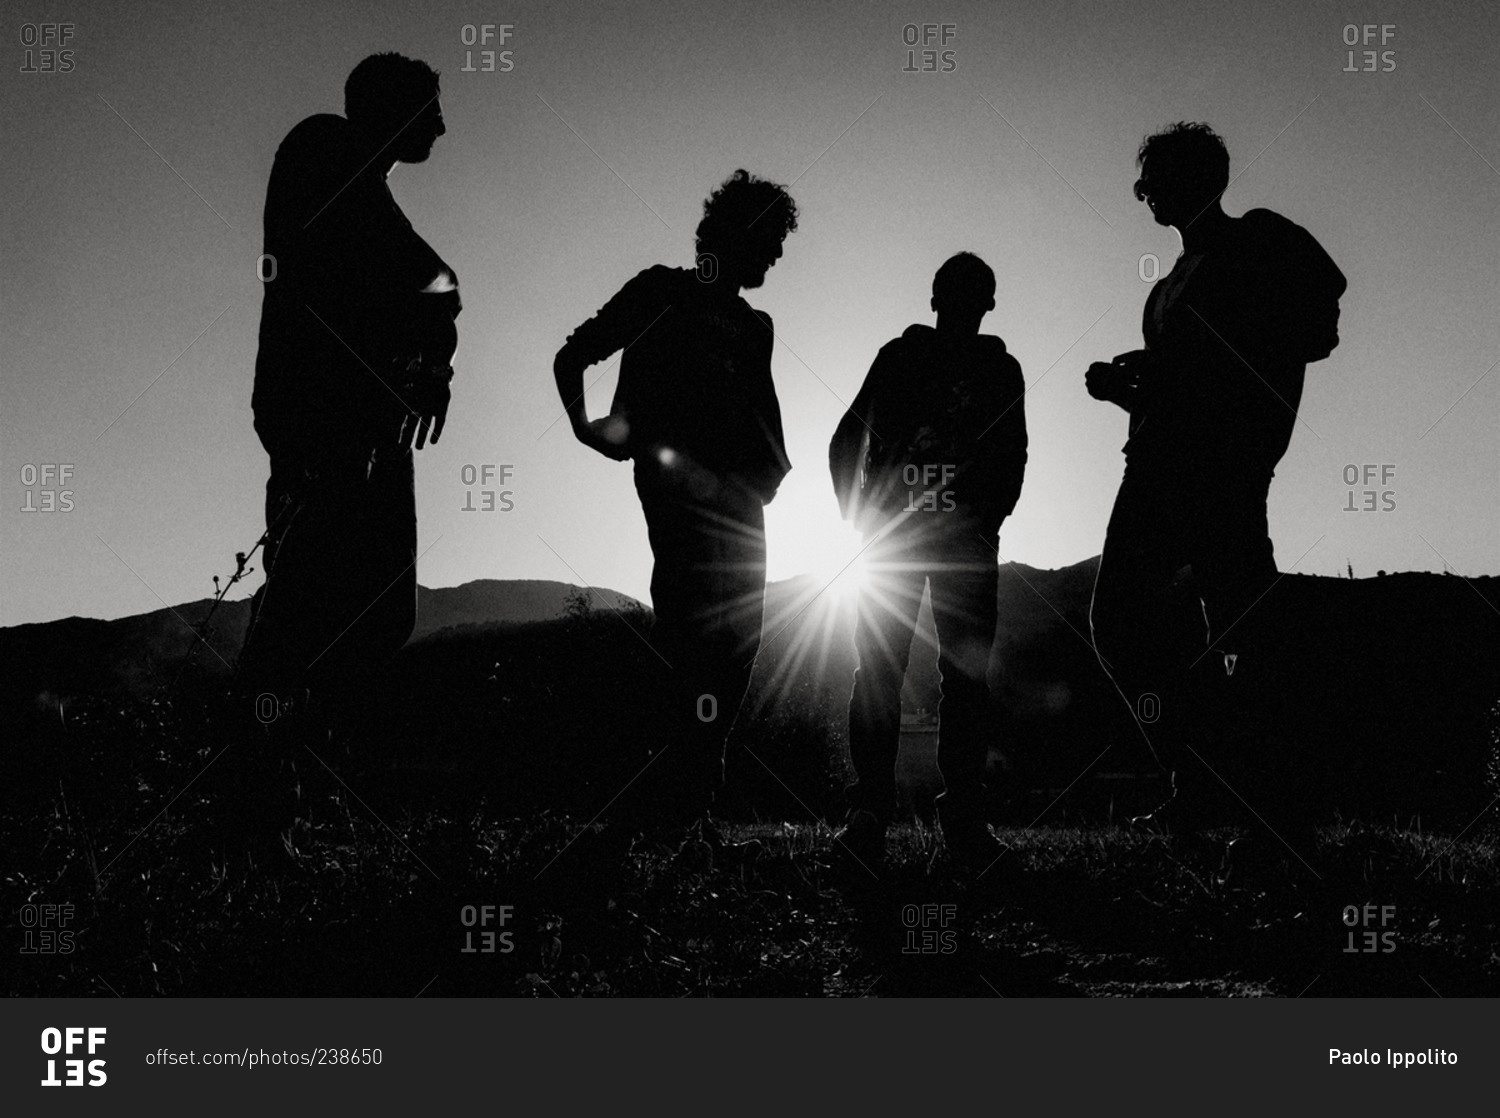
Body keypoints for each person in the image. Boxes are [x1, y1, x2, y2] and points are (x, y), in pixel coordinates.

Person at [1085, 122, 1345, 869]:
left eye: (1156, 179)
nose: (1146, 194)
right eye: (1146, 183)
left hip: (1223, 470)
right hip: (1152, 469)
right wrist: (1128, 387)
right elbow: (1179, 381)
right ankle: (1198, 779)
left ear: (1199, 179)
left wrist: (1234, 386)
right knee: (1122, 622)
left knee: (1242, 634)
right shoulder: (1165, 286)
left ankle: (1275, 823)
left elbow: (1316, 321)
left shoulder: (1256, 240)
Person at [231, 53, 459, 843]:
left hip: (368, 423)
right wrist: (427, 347)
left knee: (380, 608)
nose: (441, 127)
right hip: (318, 417)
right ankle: (256, 803)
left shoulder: (362, 184)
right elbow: (428, 275)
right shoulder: (323, 147)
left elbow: (434, 285)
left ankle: (299, 782)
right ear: (391, 109)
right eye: (430, 109)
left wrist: (430, 364)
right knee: (306, 603)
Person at [552, 169, 798, 854]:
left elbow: (765, 416)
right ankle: (673, 804)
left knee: (739, 642)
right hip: (675, 490)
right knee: (693, 634)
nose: (776, 255)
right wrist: (583, 428)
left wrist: (768, 479)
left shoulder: (756, 327)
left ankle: (691, 801)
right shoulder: (661, 291)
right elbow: (574, 354)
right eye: (770, 240)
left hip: (741, 503)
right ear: (736, 233)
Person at [829, 252, 1028, 875]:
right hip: (901, 542)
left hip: (949, 544)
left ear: (984, 304)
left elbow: (1013, 454)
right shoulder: (901, 357)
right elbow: (846, 437)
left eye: (973, 296)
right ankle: (880, 813)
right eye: (957, 295)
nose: (964, 308)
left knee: (943, 677)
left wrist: (985, 522)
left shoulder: (998, 370)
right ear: (937, 299)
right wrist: (857, 517)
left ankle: (944, 815)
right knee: (896, 673)